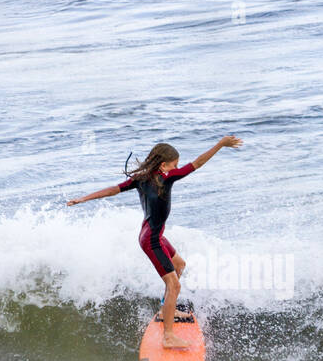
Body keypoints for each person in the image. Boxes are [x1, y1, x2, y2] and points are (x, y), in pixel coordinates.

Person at [67, 135, 243, 347]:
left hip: (152, 234)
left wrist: (83, 198)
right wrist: (220, 144)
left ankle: (165, 307)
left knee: (179, 265)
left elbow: (113, 190)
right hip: (152, 239)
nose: (176, 168)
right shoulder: (166, 177)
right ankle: (168, 337)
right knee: (174, 285)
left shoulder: (140, 178)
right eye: (174, 164)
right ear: (163, 165)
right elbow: (197, 163)